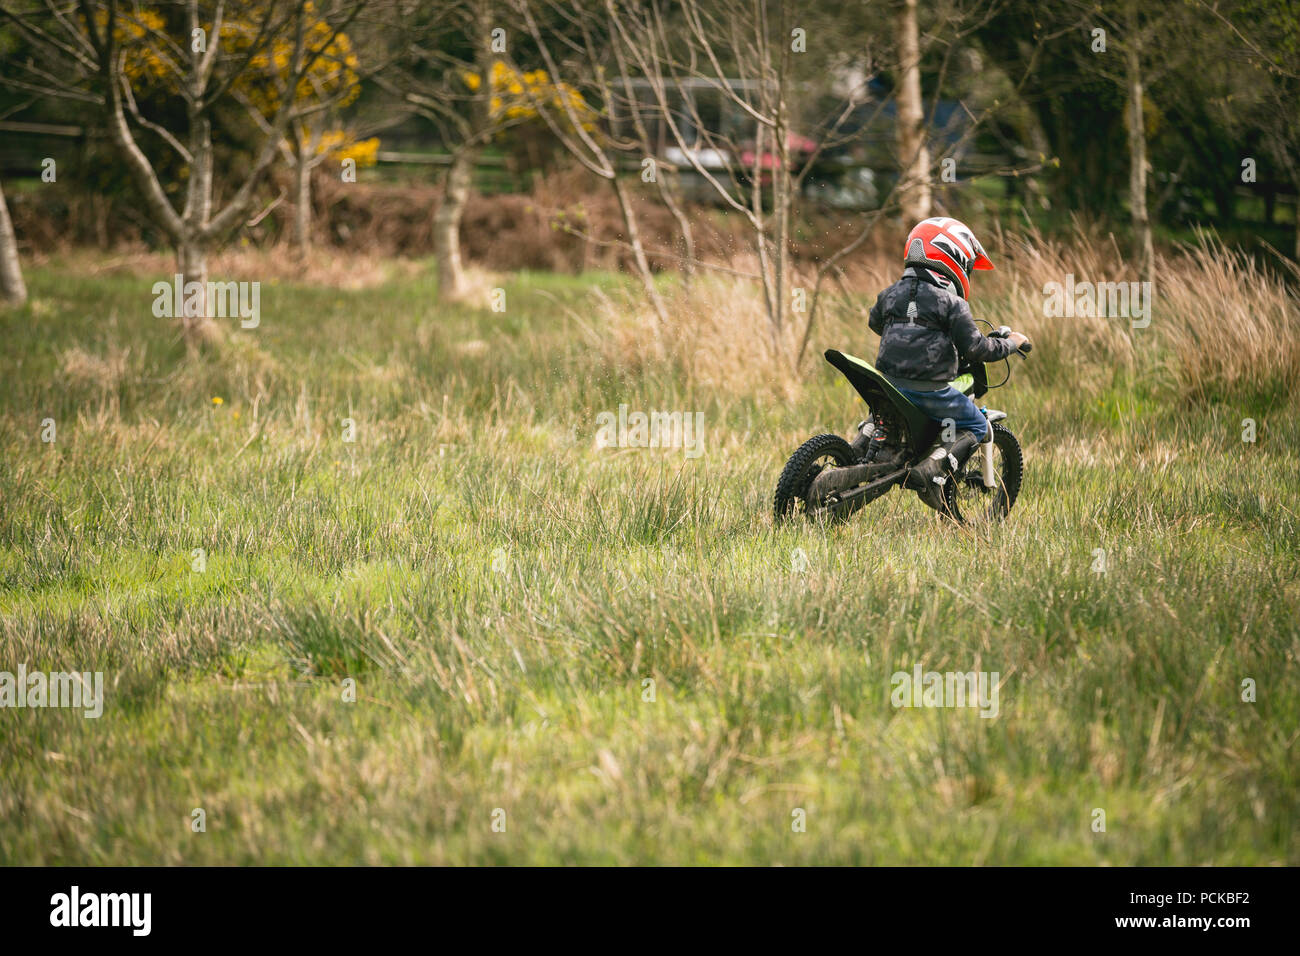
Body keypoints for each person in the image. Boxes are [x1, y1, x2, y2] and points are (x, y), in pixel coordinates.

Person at [866, 217, 1030, 512]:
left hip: (887, 384)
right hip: (929, 391)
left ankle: (867, 446)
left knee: (876, 420)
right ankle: (931, 469)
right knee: (977, 423)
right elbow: (978, 348)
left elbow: (875, 323)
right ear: (954, 258)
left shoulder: (890, 293)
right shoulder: (952, 303)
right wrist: (1012, 343)